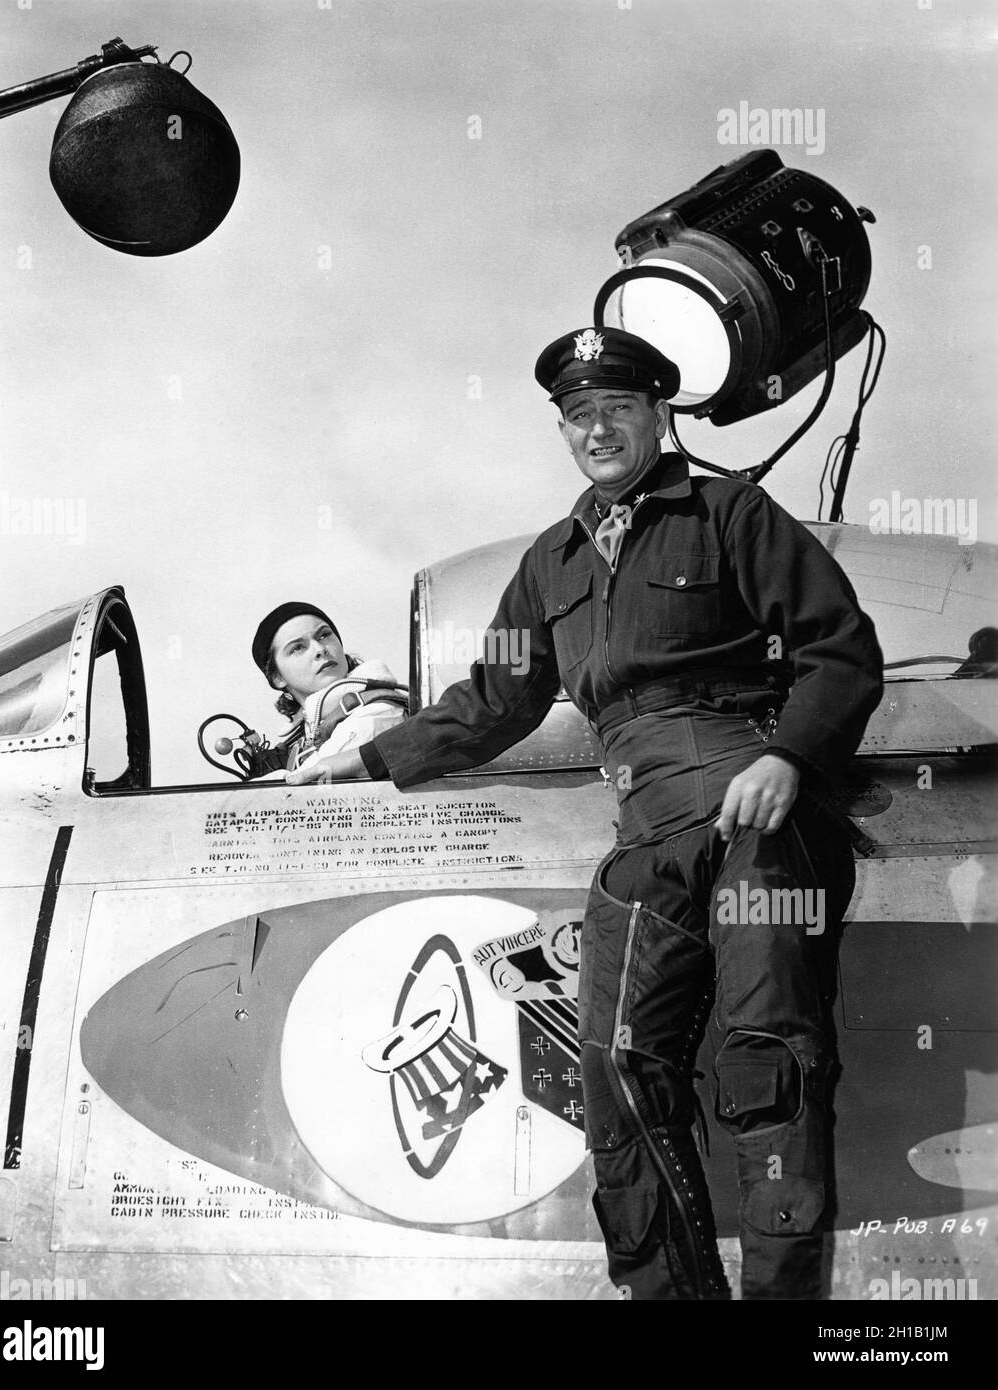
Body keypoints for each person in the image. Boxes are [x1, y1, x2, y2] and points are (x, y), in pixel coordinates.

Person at [288, 327, 885, 1301]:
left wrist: (786, 756)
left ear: (658, 414)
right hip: (642, 832)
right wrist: (361, 760)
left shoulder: (727, 512)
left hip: (750, 816)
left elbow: (839, 649)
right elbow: (493, 702)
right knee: (611, 1071)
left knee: (765, 1063)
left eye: (616, 408)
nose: (596, 428)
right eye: (577, 415)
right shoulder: (552, 562)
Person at [246, 602, 408, 778]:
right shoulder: (302, 735)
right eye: (298, 647)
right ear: (278, 677)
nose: (320, 649)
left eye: (324, 635)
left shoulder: (378, 709)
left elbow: (304, 786)